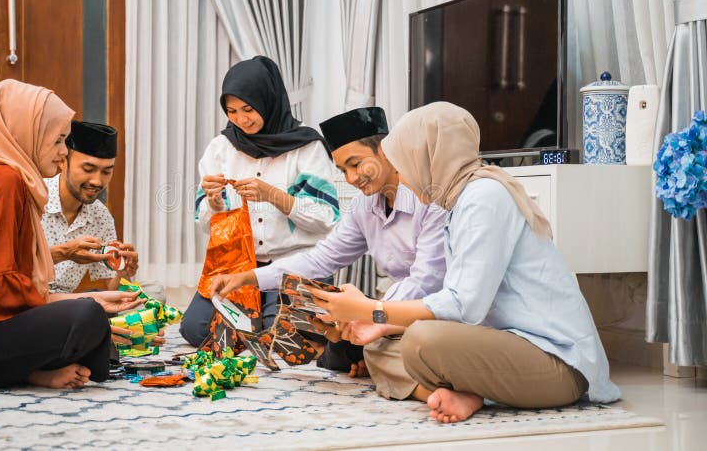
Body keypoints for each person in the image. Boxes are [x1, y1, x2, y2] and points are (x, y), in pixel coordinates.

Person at [307, 102, 620, 423]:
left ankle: (465, 393)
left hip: (560, 365)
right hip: (510, 344)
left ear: (428, 157)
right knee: (380, 348)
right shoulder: (462, 200)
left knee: (420, 341)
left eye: (404, 164)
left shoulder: (484, 198)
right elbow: (467, 311)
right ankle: (462, 395)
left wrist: (370, 310)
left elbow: (464, 306)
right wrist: (380, 325)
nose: (403, 178)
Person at [0, 79, 141, 390]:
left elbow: (9, 286)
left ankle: (31, 371)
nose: (63, 153)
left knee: (90, 317)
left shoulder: (12, 181)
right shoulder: (3, 182)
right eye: (58, 140)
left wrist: (93, 297)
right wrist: (87, 303)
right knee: (87, 317)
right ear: (26, 132)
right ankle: (29, 371)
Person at [211, 107, 447, 390]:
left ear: (388, 151)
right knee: (337, 352)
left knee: (397, 343)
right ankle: (372, 357)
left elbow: (426, 281)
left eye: (356, 164)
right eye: (343, 170)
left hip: (431, 313)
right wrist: (248, 277)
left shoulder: (431, 202)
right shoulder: (365, 206)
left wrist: (368, 313)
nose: (350, 178)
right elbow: (322, 259)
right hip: (389, 312)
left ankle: (385, 363)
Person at [180, 56, 340, 347]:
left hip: (295, 264)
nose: (241, 119)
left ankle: (262, 322)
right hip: (239, 267)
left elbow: (327, 218)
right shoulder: (221, 148)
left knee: (287, 339)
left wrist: (275, 196)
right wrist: (214, 203)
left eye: (248, 109)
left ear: (268, 100)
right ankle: (257, 323)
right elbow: (205, 222)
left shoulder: (306, 147)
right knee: (196, 330)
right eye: (232, 111)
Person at [41, 120, 140, 294]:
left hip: (63, 305)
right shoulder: (34, 197)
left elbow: (109, 286)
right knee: (89, 310)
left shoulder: (101, 217)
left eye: (107, 172)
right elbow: (8, 266)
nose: (97, 181)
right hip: (23, 299)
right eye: (88, 169)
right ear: (62, 161)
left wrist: (122, 273)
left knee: (151, 295)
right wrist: (64, 252)